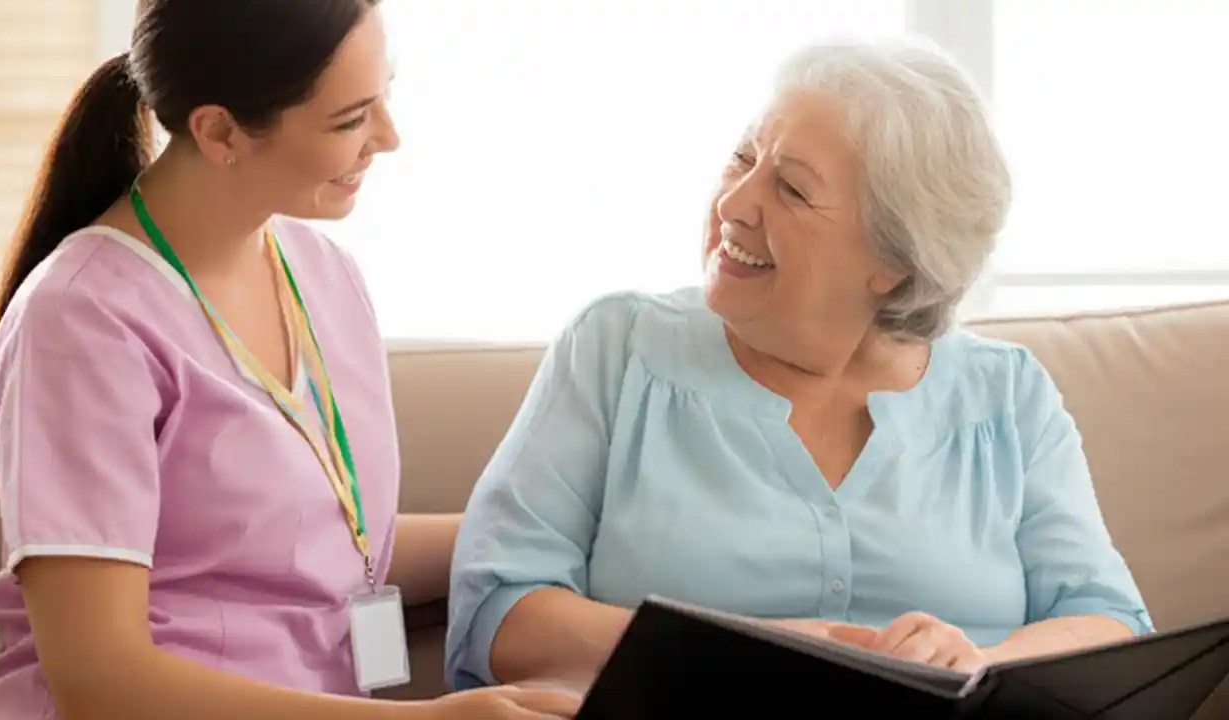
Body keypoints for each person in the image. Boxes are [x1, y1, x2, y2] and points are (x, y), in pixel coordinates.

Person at [445, 36, 1154, 692]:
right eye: (743, 158)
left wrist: (977, 665)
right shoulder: (617, 348)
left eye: (790, 189)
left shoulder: (1007, 395)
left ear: (894, 262)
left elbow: (1110, 622)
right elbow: (499, 613)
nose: (733, 203)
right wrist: (748, 654)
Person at [0, 1, 577, 718]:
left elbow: (329, 544)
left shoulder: (323, 273)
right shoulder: (82, 320)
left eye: (384, 98)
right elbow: (100, 680)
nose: (390, 138)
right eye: (350, 119)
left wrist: (537, 533)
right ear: (219, 132)